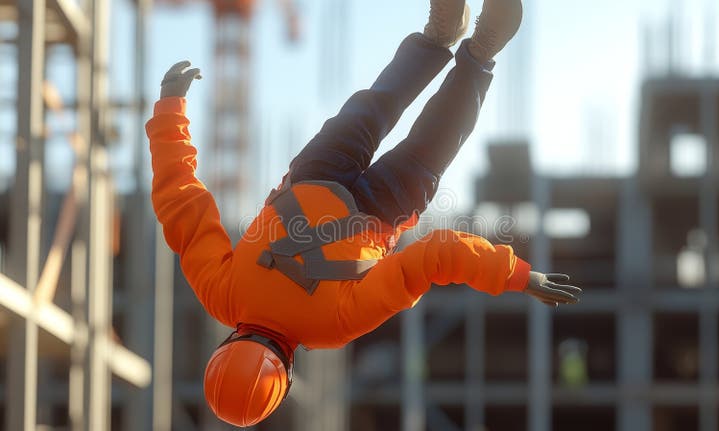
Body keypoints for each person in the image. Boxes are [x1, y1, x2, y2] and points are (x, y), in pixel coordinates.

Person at [146, 0, 582, 427]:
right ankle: (437, 39)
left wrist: (516, 275)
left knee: (434, 140)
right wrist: (169, 112)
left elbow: (431, 259)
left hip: (380, 212)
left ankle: (479, 55)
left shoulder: (334, 328)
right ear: (225, 345)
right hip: (311, 180)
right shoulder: (220, 294)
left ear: (287, 376)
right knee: (375, 107)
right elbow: (181, 204)